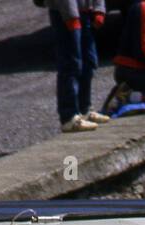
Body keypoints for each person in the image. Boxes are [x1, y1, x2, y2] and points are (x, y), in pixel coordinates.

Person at [46, 0, 112, 132]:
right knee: (71, 64)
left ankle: (85, 110)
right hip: (65, 13)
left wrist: (99, 9)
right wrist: (71, 15)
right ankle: (69, 117)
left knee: (89, 62)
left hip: (86, 12)